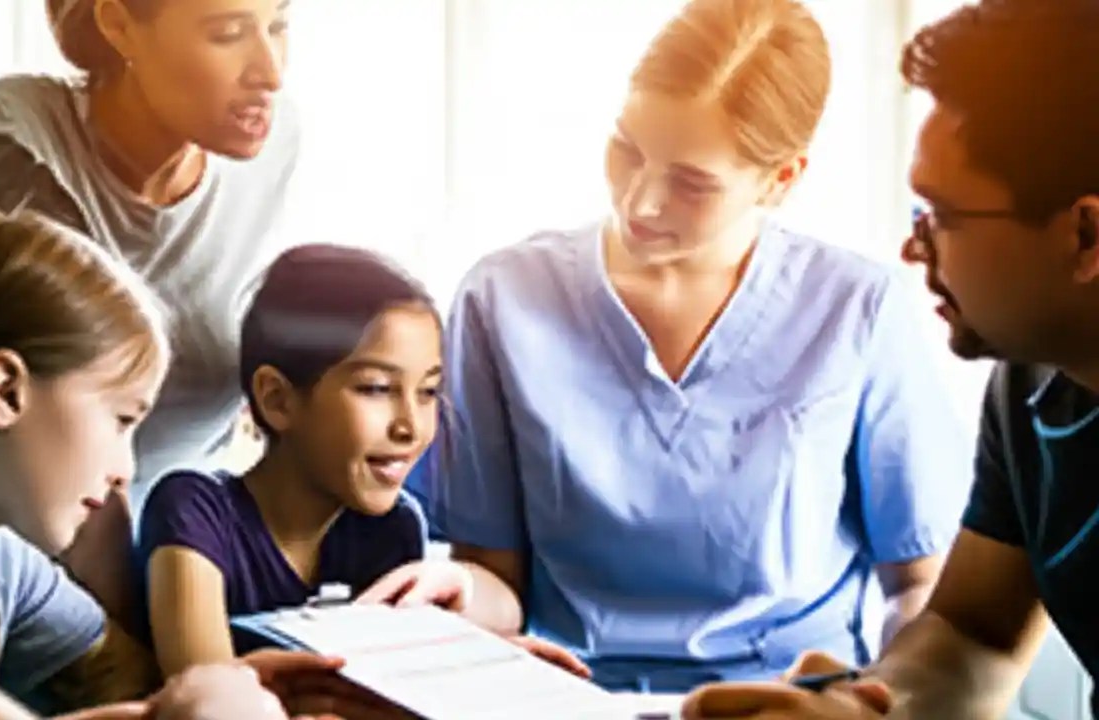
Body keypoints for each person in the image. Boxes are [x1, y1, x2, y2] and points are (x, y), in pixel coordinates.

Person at [363, 0, 968, 694]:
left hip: (792, 702)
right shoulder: (504, 299)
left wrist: (882, 704)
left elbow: (920, 586)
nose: (641, 202)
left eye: (691, 182)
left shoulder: (858, 309)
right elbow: (498, 579)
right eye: (627, 150)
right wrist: (455, 591)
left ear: (782, 179)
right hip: (570, 697)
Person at [681, 1, 1099, 718]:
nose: (914, 249)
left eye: (942, 216)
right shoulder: (1034, 381)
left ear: (1085, 234)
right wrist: (869, 705)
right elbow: (977, 634)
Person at [0, 205, 343, 718]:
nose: (126, 470)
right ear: (6, 390)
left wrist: (223, 686)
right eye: (121, 420)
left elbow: (124, 680)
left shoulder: (0, 563)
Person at [0, 0, 302, 509]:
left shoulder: (271, 147)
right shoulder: (8, 138)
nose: (271, 73)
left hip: (187, 530)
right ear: (119, 24)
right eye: (227, 33)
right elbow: (36, 395)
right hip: (23, 531)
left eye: (278, 26)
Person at [137, 245, 441, 677]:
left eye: (428, 392)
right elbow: (210, 698)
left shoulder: (394, 529)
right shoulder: (195, 512)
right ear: (277, 399)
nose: (410, 426)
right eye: (375, 388)